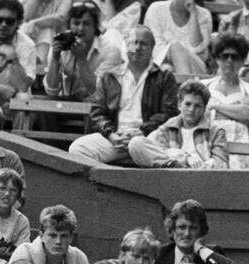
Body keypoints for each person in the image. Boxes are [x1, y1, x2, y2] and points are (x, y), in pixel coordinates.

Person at [70, 26, 179, 166]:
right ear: (125, 46)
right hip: (116, 138)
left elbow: (169, 113)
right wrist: (111, 135)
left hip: (147, 138)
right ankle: (105, 183)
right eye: (133, 43)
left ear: (152, 48)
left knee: (136, 144)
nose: (137, 47)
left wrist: (141, 131)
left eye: (143, 43)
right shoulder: (110, 76)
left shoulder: (164, 77)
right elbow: (97, 112)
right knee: (77, 149)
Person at [127, 78, 229, 169]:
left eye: (197, 106)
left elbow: (222, 165)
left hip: (200, 178)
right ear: (179, 104)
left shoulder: (215, 132)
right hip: (170, 178)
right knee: (135, 143)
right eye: (188, 104)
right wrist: (184, 158)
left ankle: (182, 169)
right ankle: (177, 167)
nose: (192, 109)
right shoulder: (167, 128)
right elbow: (153, 152)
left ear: (204, 108)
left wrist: (200, 166)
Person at [3, 204, 89, 264]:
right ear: (41, 235)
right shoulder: (24, 254)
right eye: (52, 235)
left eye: (64, 236)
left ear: (71, 237)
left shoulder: (80, 259)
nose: (58, 242)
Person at [205, 32, 249, 167]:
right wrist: (235, 111)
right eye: (225, 56)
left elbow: (247, 113)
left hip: (242, 151)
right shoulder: (205, 86)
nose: (229, 61)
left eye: (235, 57)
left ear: (243, 61)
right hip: (209, 146)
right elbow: (202, 115)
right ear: (217, 59)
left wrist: (216, 107)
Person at [42, 0, 122, 100]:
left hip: (97, 106)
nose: (81, 28)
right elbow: (51, 91)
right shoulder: (61, 43)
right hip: (65, 104)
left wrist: (81, 59)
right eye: (76, 23)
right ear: (69, 26)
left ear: (95, 26)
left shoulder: (110, 51)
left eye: (86, 23)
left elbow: (99, 92)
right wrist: (55, 59)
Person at [142, 0, 211, 76]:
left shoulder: (204, 15)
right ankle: (186, 85)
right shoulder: (156, 9)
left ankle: (187, 85)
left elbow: (198, 49)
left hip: (195, 68)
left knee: (175, 46)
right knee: (166, 69)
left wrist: (193, 14)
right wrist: (174, 56)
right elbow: (156, 50)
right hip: (162, 65)